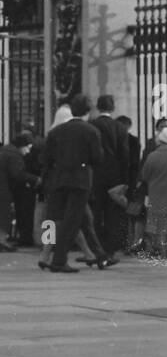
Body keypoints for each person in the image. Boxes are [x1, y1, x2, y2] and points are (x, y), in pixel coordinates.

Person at [41, 93, 114, 272]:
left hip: (59, 179)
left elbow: (46, 159)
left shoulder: (55, 132)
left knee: (84, 219)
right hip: (80, 180)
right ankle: (59, 261)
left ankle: (100, 255)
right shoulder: (90, 131)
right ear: (87, 111)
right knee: (71, 221)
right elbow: (97, 158)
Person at [89, 94, 130, 261]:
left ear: (98, 107)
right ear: (112, 108)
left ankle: (97, 249)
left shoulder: (91, 125)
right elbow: (124, 155)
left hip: (95, 175)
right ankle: (110, 249)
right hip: (114, 176)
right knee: (113, 215)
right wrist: (125, 179)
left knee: (96, 213)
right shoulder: (119, 127)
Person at [137, 126, 167, 257]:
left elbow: (144, 175)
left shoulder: (153, 156)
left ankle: (156, 247)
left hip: (155, 194)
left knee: (154, 222)